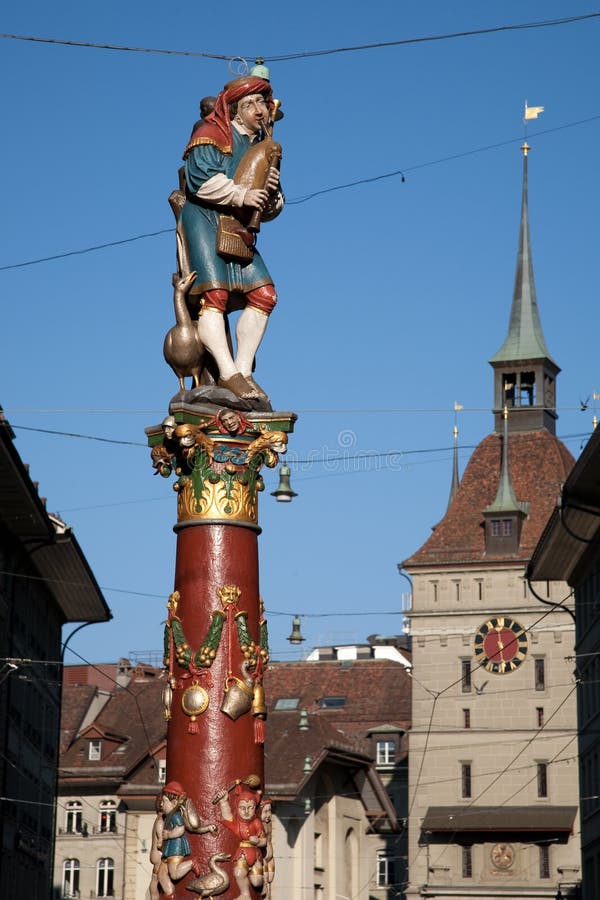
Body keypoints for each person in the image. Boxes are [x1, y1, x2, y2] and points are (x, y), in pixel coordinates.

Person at [179, 75, 283, 402]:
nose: (259, 110)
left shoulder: (261, 148)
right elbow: (200, 181)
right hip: (205, 219)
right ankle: (226, 372)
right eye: (250, 104)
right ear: (235, 110)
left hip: (239, 228)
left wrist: (270, 198)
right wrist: (241, 196)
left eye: (262, 104)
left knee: (265, 294)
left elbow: (271, 207)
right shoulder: (211, 135)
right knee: (215, 296)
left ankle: (243, 372)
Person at [214, 783, 267, 900]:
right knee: (239, 873)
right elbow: (227, 815)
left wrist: (258, 841)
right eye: (242, 808)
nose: (246, 812)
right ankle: (245, 894)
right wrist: (223, 801)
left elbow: (264, 841)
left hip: (255, 853)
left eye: (250, 808)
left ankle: (264, 883)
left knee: (257, 882)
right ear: (237, 808)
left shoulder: (256, 823)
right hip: (242, 852)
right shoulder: (237, 823)